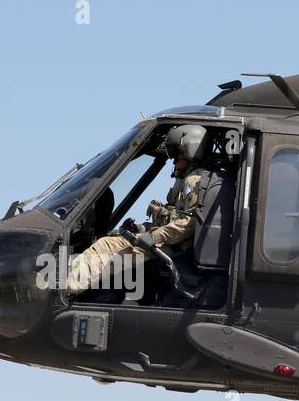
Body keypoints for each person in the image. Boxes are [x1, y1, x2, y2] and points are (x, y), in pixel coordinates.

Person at [65, 124, 212, 296]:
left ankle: (63, 291)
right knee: (107, 242)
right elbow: (174, 218)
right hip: (168, 244)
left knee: (107, 252)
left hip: (174, 249)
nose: (174, 159)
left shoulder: (194, 181)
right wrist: (142, 229)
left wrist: (152, 236)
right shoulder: (187, 179)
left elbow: (188, 224)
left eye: (177, 154)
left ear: (190, 151)